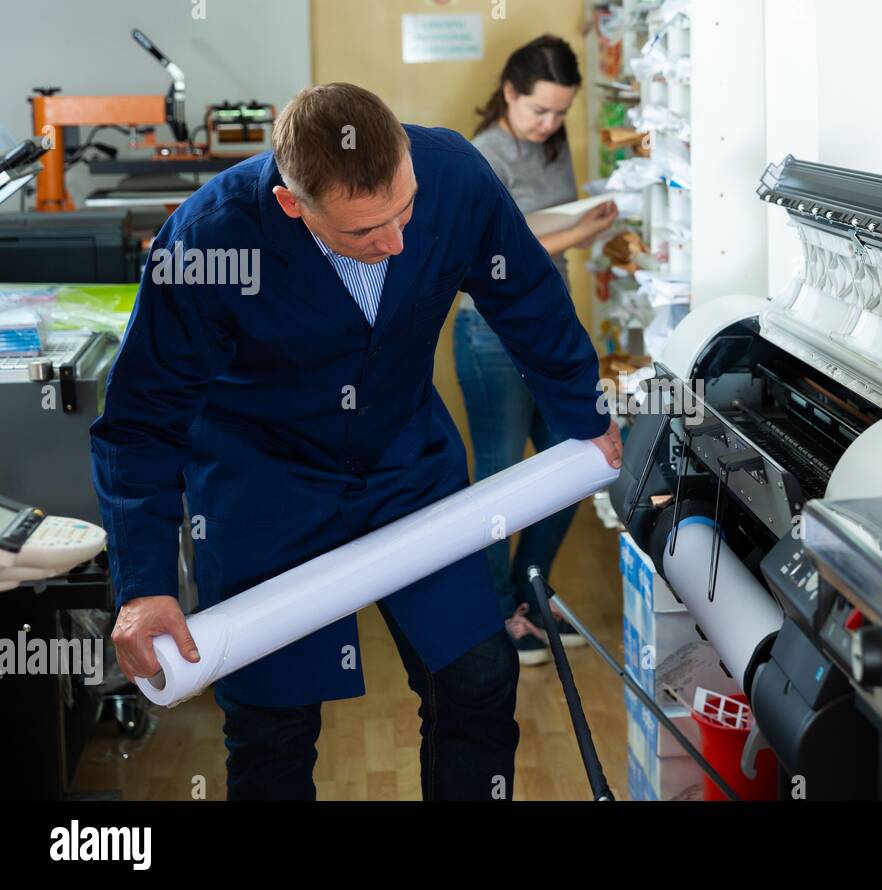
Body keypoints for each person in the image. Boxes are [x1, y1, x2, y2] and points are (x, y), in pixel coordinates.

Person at [93, 82, 622, 801]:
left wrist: (586, 413)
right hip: (263, 485)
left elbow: (526, 295)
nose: (395, 241)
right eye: (362, 232)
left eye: (404, 211)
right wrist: (145, 583)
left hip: (406, 464)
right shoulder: (207, 238)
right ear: (292, 204)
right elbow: (140, 419)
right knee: (272, 732)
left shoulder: (453, 174)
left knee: (479, 680)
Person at [456, 35, 617, 665]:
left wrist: (580, 222)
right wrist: (581, 228)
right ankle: (499, 614)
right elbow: (496, 257)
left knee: (578, 460)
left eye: (559, 113)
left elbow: (551, 229)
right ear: (509, 93)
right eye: (539, 111)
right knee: (499, 477)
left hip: (552, 331)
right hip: (490, 336)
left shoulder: (552, 146)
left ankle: (530, 592)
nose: (549, 124)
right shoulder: (481, 156)